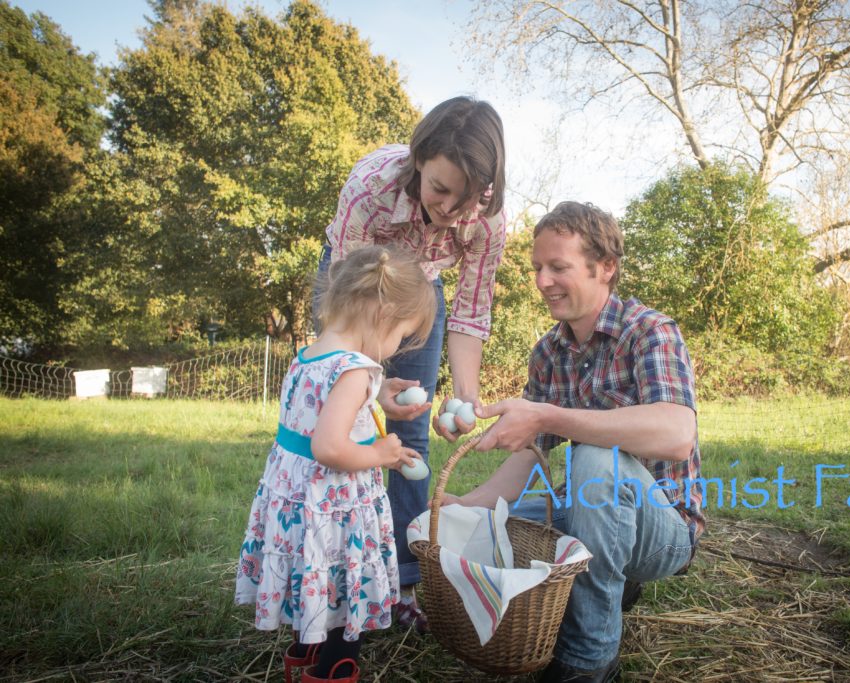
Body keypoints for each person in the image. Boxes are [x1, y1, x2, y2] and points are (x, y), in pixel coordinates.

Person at [444, 202, 704, 683]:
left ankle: (589, 661)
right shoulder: (548, 351)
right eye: (537, 268)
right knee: (495, 529)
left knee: (595, 454)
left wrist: (548, 414)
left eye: (557, 267)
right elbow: (528, 455)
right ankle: (598, 584)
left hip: (663, 530)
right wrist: (468, 506)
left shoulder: (649, 332)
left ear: (605, 268)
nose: (542, 280)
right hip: (594, 508)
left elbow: (676, 434)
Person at [314, 96, 507, 629]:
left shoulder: (487, 220)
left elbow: (471, 313)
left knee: (412, 437)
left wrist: (465, 396)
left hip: (426, 288)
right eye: (440, 189)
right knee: (351, 425)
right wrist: (369, 387)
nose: (450, 210)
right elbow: (346, 311)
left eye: (466, 200)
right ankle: (335, 572)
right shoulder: (369, 189)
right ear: (420, 159)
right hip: (356, 287)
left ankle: (400, 584)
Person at [236, 245, 437, 683]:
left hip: (301, 503)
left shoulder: (308, 356)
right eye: (401, 334)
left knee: (315, 580)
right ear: (381, 312)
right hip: (333, 504)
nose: (397, 346)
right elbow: (329, 447)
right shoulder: (353, 370)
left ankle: (304, 653)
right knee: (343, 590)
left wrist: (384, 445)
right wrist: (381, 454)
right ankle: (333, 669)